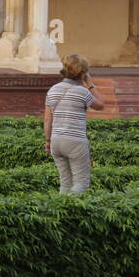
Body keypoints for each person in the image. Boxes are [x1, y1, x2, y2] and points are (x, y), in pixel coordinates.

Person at [44, 54, 103, 194]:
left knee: (65, 182)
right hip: (75, 141)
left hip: (56, 141)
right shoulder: (83, 92)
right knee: (81, 183)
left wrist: (47, 140)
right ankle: (73, 207)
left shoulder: (53, 90)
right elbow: (101, 105)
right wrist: (91, 85)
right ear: (83, 73)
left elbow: (47, 120)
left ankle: (62, 209)